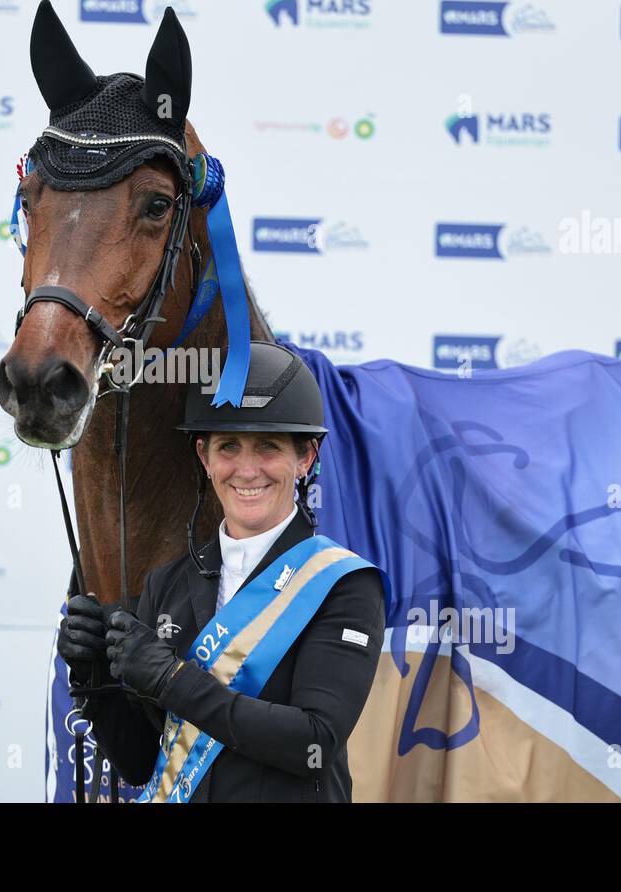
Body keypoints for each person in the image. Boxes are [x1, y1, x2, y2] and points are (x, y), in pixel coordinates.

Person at [57, 341, 387, 802]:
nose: (247, 469)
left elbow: (313, 742)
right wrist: (94, 679)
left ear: (306, 458)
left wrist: (173, 680)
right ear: (204, 456)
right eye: (229, 446)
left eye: (268, 447)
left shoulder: (343, 585)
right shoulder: (166, 584)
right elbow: (140, 763)